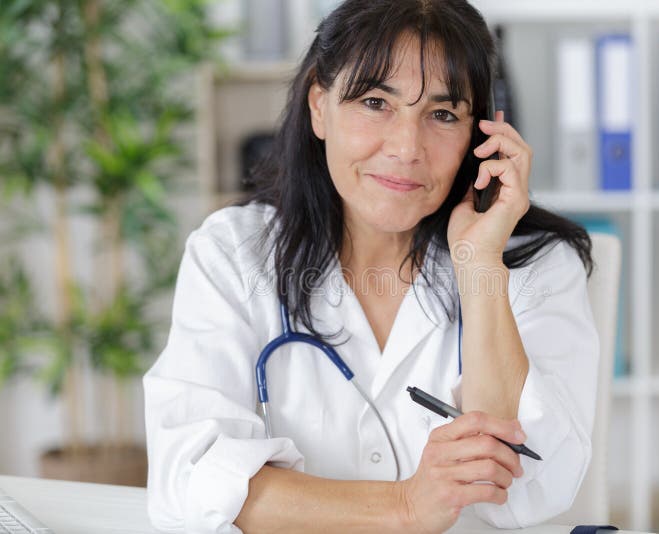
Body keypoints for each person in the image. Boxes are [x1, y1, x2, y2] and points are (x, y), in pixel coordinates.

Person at [143, 0, 599, 532]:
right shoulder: (232, 253)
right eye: (376, 102)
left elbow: (535, 489)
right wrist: (405, 507)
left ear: (480, 137)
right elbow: (188, 478)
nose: (407, 147)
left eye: (443, 114)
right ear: (319, 105)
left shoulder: (537, 266)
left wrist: (479, 267)